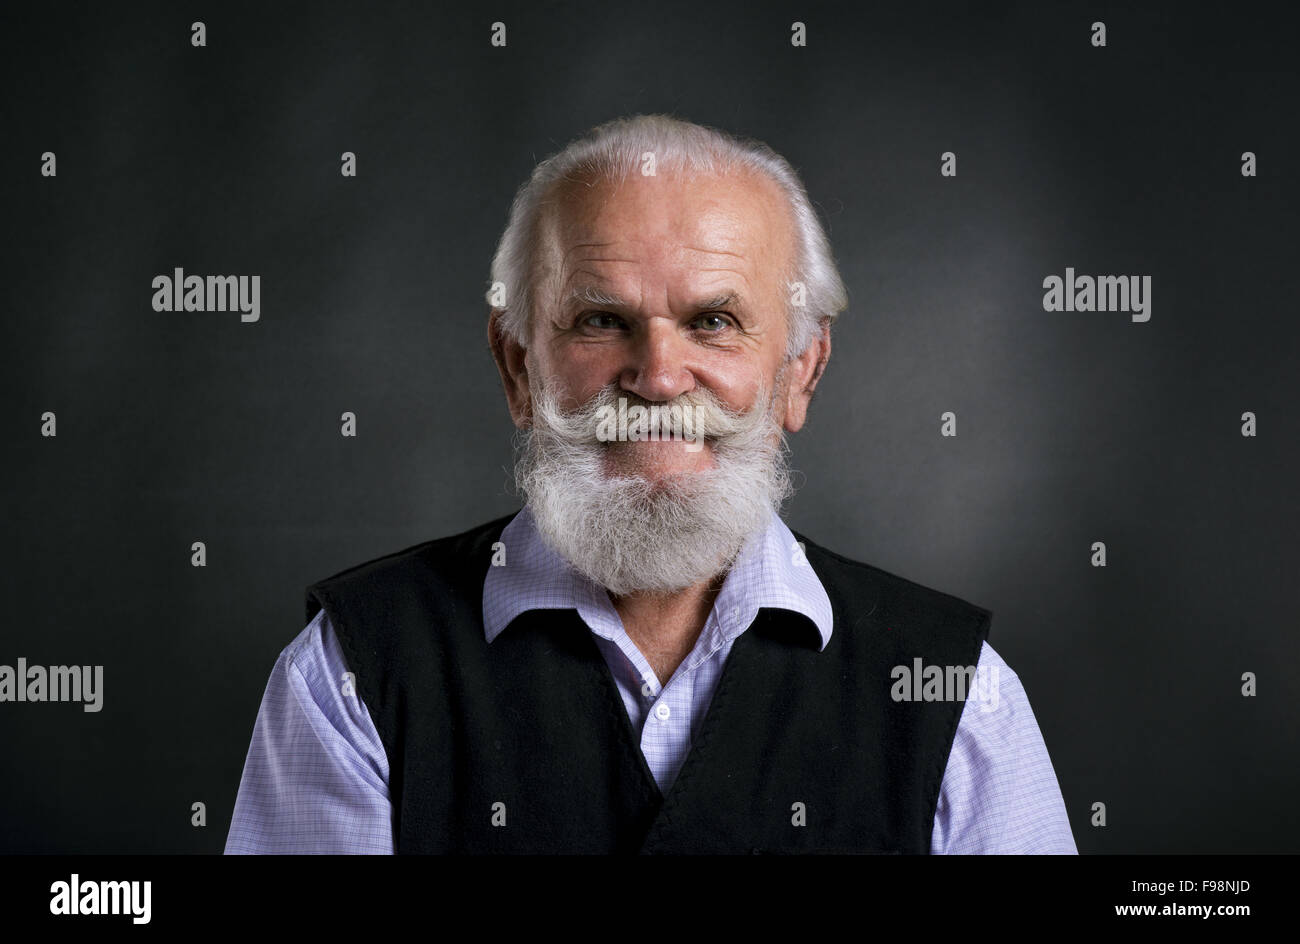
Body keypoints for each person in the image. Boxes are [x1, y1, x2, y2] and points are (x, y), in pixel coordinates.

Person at [226, 114, 1076, 854]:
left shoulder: (956, 694)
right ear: (518, 367)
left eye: (714, 321)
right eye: (602, 321)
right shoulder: (349, 678)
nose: (660, 378)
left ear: (798, 375)